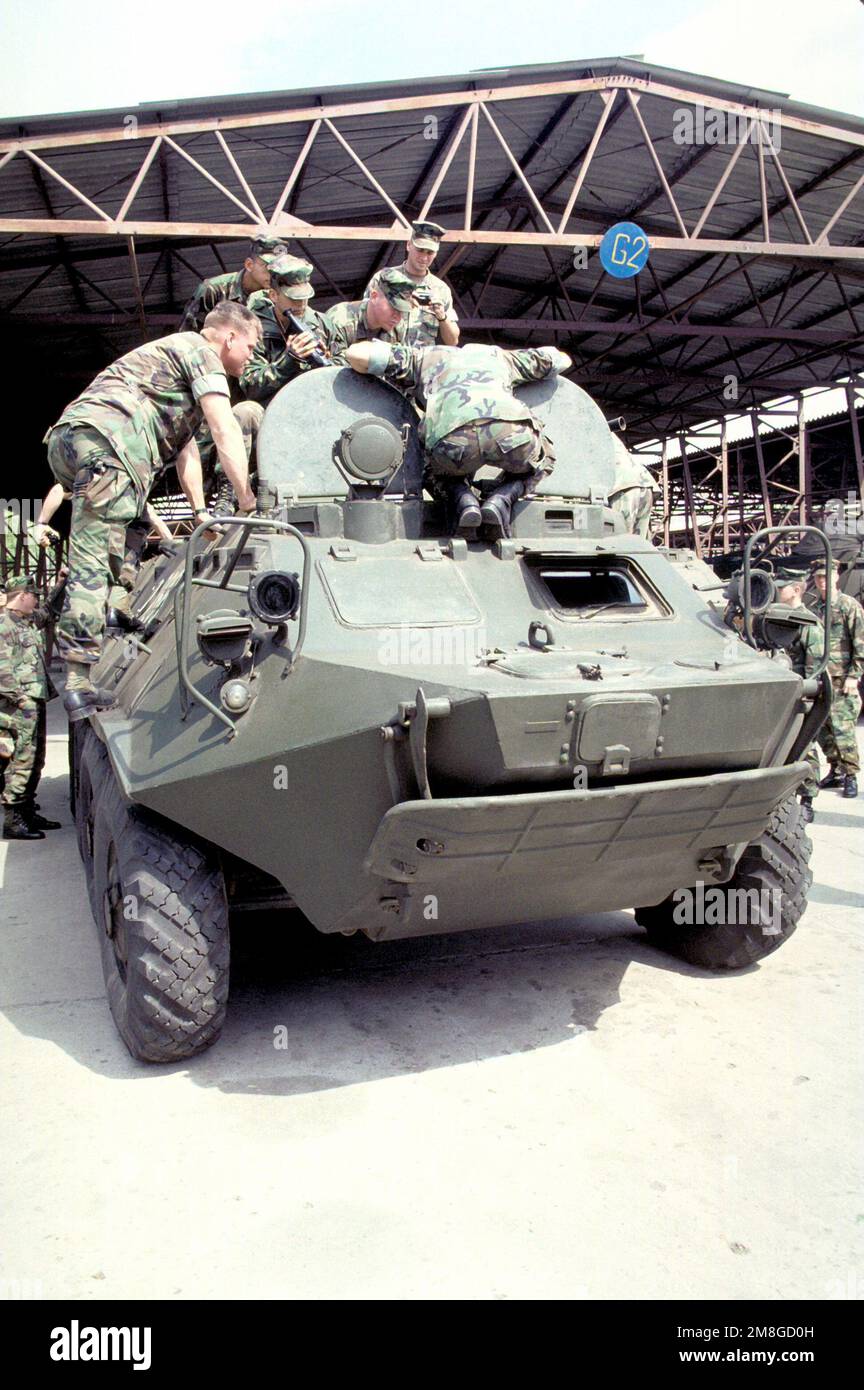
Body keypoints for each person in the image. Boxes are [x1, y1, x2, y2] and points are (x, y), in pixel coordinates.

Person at [43, 301, 260, 720]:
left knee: (136, 519)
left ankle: (116, 604)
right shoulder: (203, 353)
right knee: (91, 564)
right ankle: (77, 682)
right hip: (112, 445)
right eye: (249, 346)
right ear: (229, 336)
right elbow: (223, 427)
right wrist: (246, 498)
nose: (251, 355)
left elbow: (187, 457)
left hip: (74, 443)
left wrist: (199, 512)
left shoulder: (170, 368)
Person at [344, 341, 572, 538]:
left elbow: (356, 354)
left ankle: (462, 499)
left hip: (451, 441)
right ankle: (502, 498)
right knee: (544, 456)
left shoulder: (419, 358)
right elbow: (561, 359)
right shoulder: (503, 357)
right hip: (509, 434)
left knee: (427, 469)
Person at [0, 573, 65, 839]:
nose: (36, 600)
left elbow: (49, 612)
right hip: (18, 705)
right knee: (20, 761)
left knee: (36, 759)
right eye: (33, 595)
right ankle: (13, 820)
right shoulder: (4, 626)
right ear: (22, 596)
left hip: (33, 699)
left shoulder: (26, 621)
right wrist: (19, 698)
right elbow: (1, 669)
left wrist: (61, 583)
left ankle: (27, 811)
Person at [241, 254, 334, 407]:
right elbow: (250, 387)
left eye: (305, 298)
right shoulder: (253, 330)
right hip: (271, 413)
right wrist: (289, 360)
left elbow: (343, 369)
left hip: (316, 407)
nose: (302, 305)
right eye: (294, 299)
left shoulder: (322, 324)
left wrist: (324, 362)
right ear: (273, 295)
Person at [810, 558, 864, 798]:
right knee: (824, 730)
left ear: (836, 577)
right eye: (818, 577)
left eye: (826, 576)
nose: (822, 581)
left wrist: (855, 675)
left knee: (843, 729)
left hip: (843, 678)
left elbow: (860, 644)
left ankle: (851, 775)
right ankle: (835, 770)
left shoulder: (848, 606)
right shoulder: (815, 608)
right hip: (822, 679)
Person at [774, 565, 823, 822]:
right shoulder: (777, 618)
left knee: (806, 747)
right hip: (782, 692)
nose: (776, 591)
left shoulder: (808, 624)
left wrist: (806, 695)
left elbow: (815, 668)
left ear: (795, 590)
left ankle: (808, 797)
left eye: (781, 587)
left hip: (800, 694)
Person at [366, 220, 459, 348]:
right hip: (386, 357)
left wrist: (442, 317)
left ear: (436, 253)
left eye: (430, 253)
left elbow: (453, 341)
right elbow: (364, 321)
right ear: (409, 245)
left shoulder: (441, 289)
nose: (424, 257)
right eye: (420, 250)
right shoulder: (384, 279)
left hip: (422, 362)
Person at [179, 234, 287, 333]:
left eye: (279, 268)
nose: (274, 273)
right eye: (268, 267)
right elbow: (187, 336)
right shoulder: (213, 290)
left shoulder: (280, 294)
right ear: (249, 265)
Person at [327, 269, 418, 361]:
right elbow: (331, 369)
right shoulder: (341, 320)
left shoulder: (397, 328)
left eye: (402, 311)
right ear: (374, 296)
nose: (397, 317)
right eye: (393, 308)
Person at [609, 445, 659, 539]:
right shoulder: (610, 436)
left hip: (623, 485)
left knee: (621, 539)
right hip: (645, 483)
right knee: (639, 542)